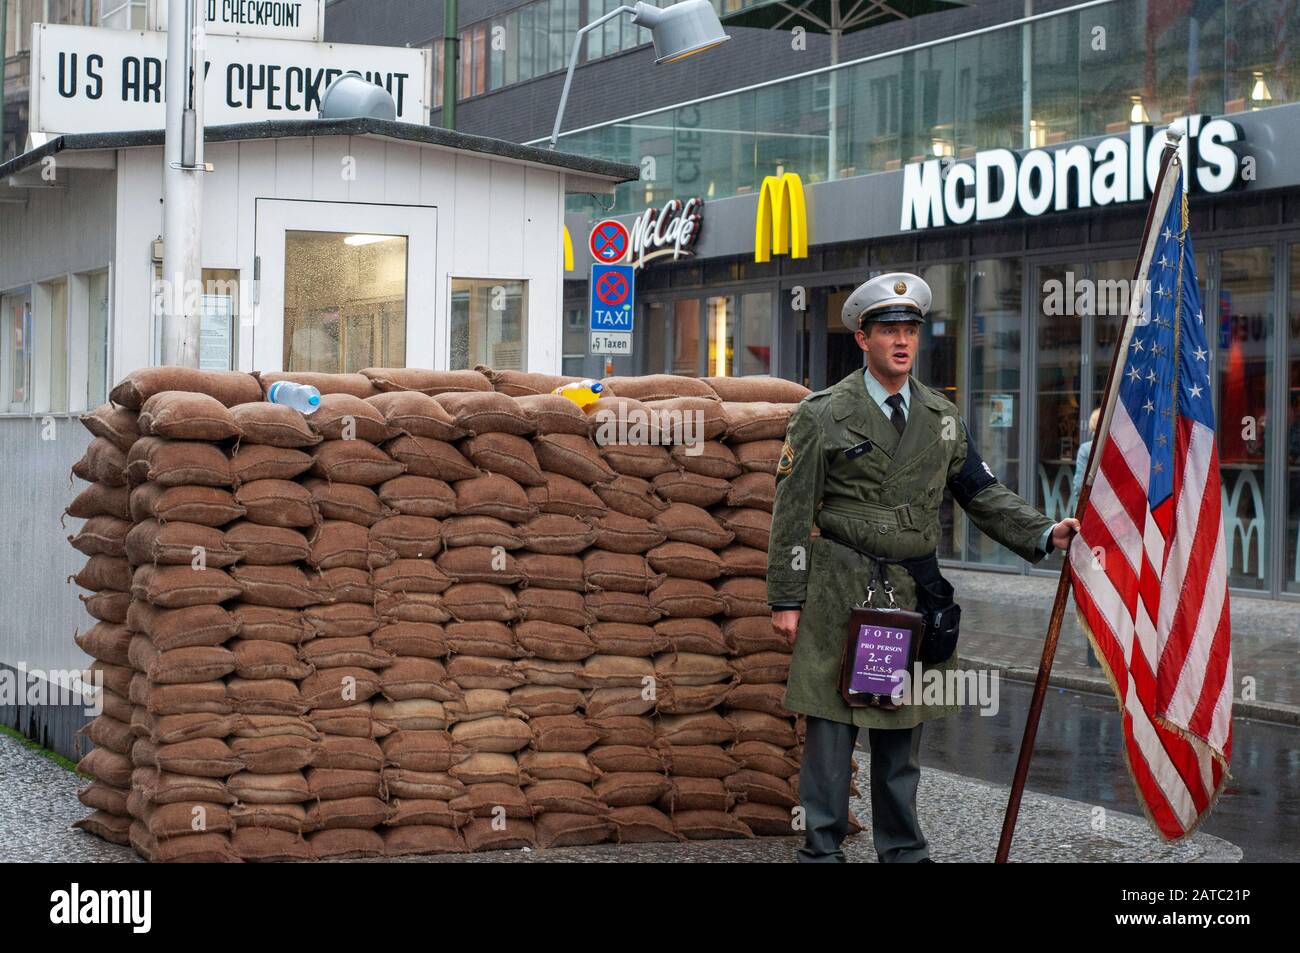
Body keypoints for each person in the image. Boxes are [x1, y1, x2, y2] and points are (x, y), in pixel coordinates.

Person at [767, 272, 1080, 863]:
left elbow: (981, 493)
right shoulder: (823, 413)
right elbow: (792, 510)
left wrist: (1043, 531)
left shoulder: (941, 416)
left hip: (910, 593)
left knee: (899, 738)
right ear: (863, 338)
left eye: (910, 329)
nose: (902, 341)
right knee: (831, 738)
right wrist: (786, 597)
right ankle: (822, 851)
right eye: (889, 330)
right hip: (838, 590)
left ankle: (904, 852)